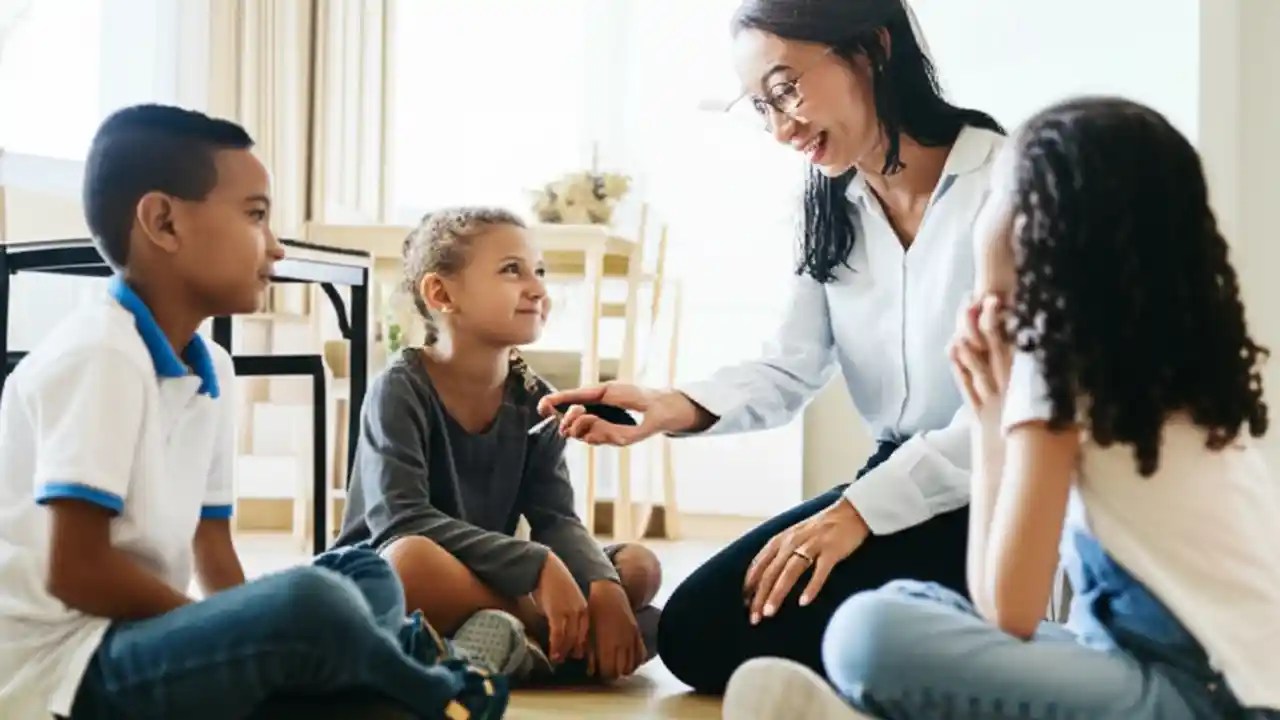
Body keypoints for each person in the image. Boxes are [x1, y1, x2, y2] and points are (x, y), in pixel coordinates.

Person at [722, 96, 1280, 720]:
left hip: (1199, 700)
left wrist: (992, 421)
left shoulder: (1057, 369)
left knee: (870, 630)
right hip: (1221, 685)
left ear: (1035, 228)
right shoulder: (1162, 365)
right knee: (911, 602)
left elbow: (1007, 612)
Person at [538, 0, 1003, 692]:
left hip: (997, 488)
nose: (781, 128)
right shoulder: (829, 207)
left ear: (871, 48)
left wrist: (858, 513)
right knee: (699, 632)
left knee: (775, 636)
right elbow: (791, 365)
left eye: (786, 88)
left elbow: (1009, 411)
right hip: (891, 478)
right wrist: (671, 406)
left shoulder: (1008, 182)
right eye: (760, 106)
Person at [0, 105, 506, 720]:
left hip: (133, 641)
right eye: (256, 215)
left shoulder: (211, 365)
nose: (275, 245)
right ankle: (425, 692)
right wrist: (247, 627)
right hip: (67, 672)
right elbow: (75, 572)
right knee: (309, 604)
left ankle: (356, 682)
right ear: (163, 221)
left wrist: (250, 633)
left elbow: (212, 547)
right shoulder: (99, 354)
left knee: (363, 575)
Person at [332, 207, 664, 685]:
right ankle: (545, 635)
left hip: (487, 578)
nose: (537, 288)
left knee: (637, 568)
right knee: (411, 559)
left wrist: (604, 587)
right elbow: (400, 520)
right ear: (441, 294)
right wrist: (537, 566)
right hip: (384, 577)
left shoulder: (536, 399)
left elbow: (554, 517)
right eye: (513, 270)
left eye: (540, 271)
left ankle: (510, 642)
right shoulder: (399, 390)